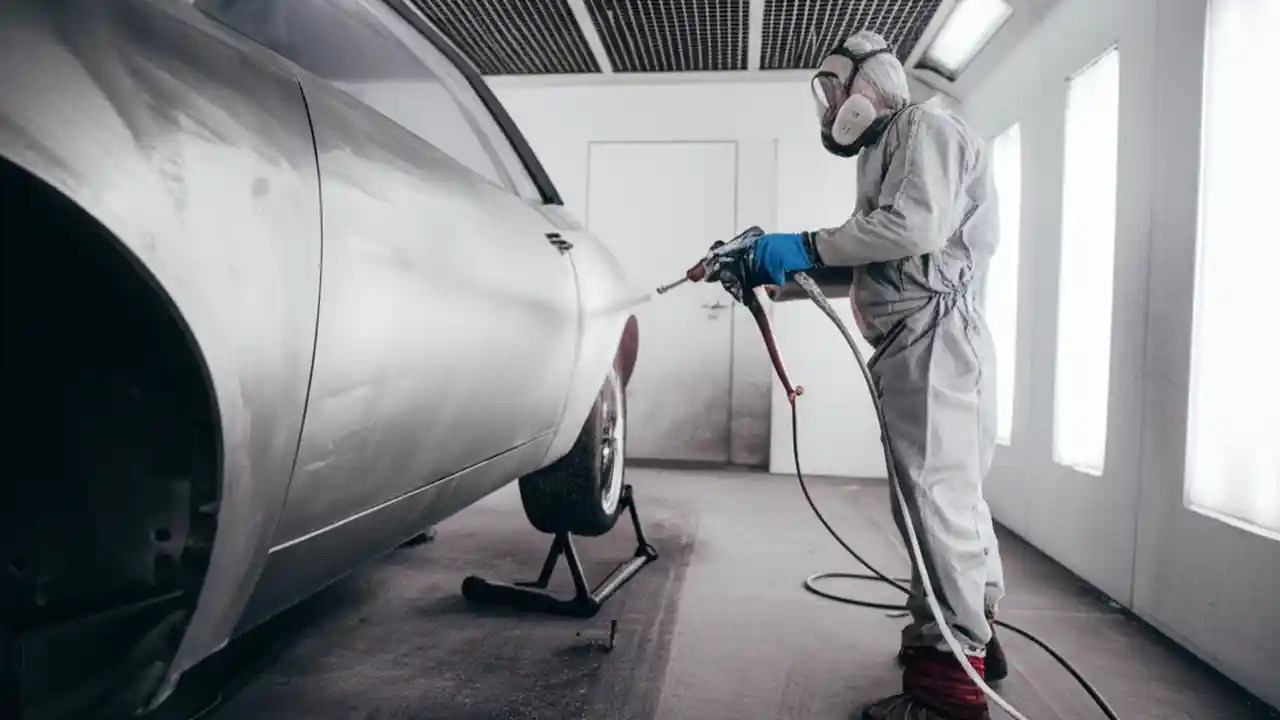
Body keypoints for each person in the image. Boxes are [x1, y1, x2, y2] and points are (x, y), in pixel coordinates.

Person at [737, 30, 1006, 720]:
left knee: (934, 501)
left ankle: (950, 685)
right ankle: (968, 637)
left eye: (834, 93)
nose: (828, 110)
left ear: (868, 87)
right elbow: (878, 255)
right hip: (922, 338)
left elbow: (906, 233)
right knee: (948, 498)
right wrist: (779, 273)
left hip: (932, 337)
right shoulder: (894, 149)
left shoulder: (925, 126)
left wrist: (796, 246)